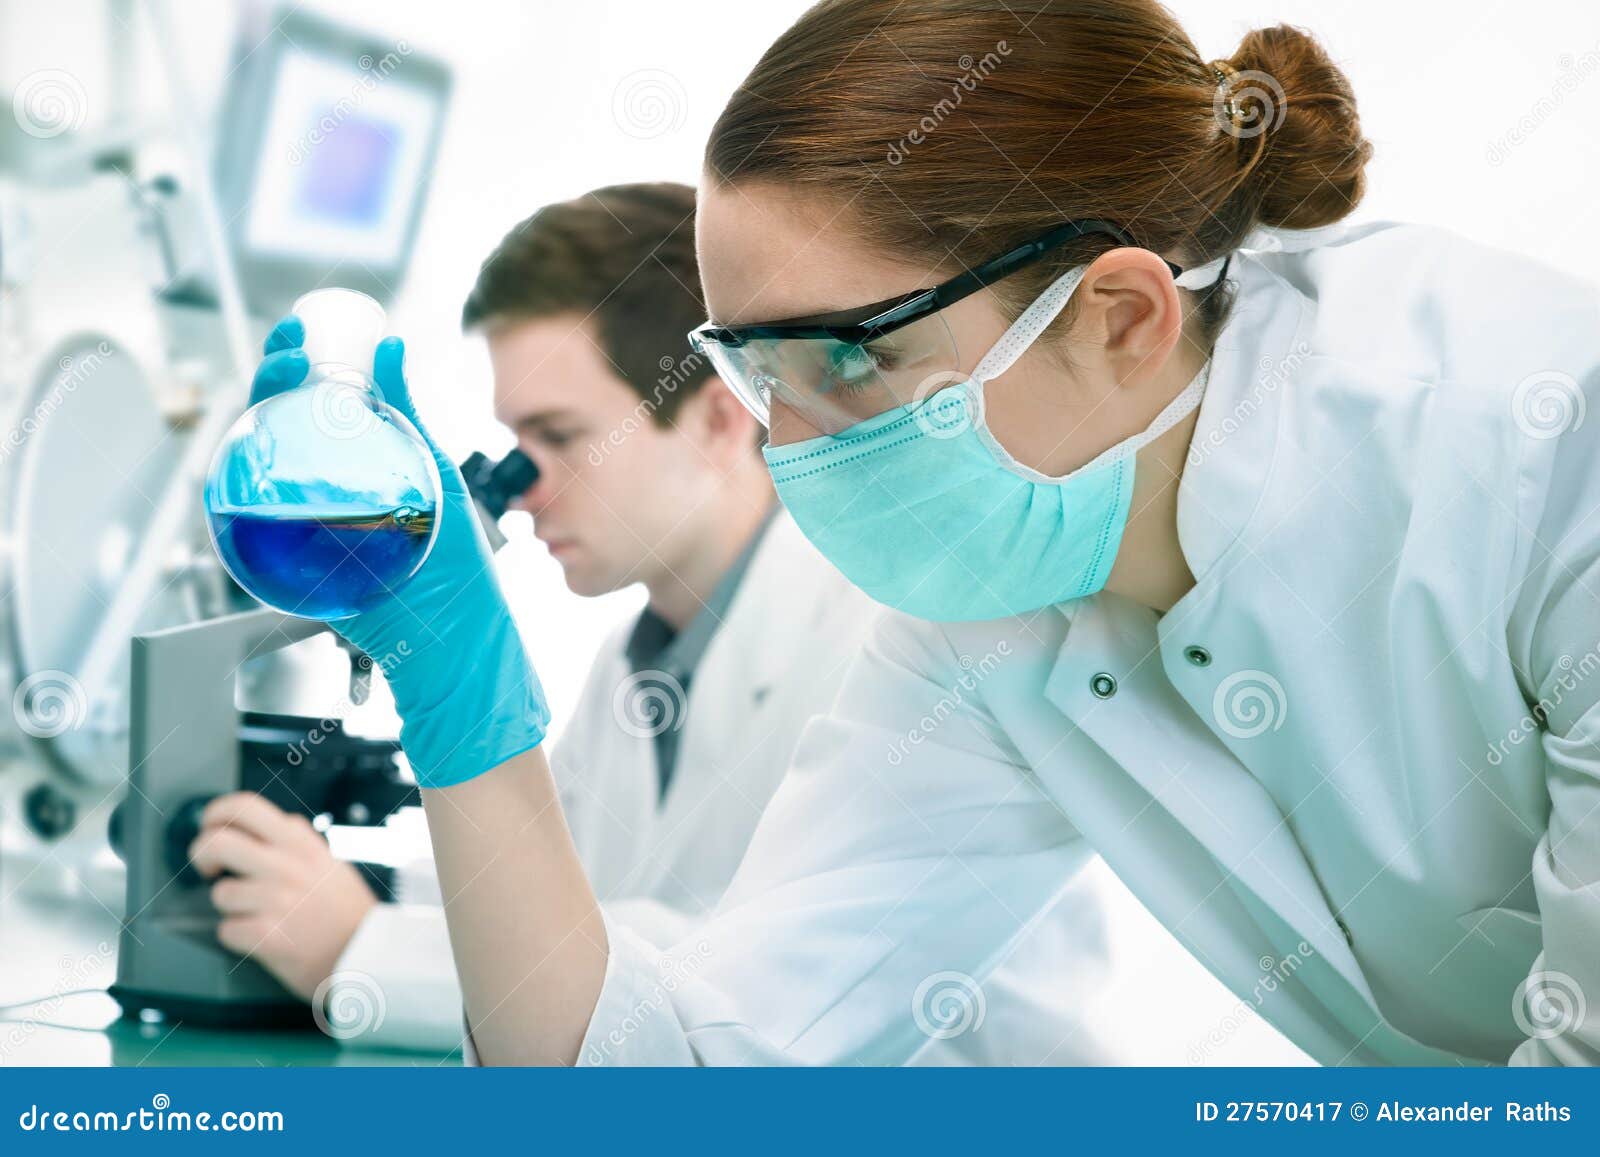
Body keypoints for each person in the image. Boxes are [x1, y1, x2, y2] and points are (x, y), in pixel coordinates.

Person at [209, 0, 1599, 1067]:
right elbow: (686, 1062)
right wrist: (466, 696)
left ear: (1120, 317)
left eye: (851, 360)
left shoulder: (1541, 444)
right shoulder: (990, 607)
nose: (790, 443)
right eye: (759, 371)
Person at [191, 182, 1120, 1064]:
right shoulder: (637, 669)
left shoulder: (888, 635)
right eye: (516, 444)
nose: (523, 490)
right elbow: (570, 919)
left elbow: (708, 975)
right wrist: (361, 896)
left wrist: (363, 944)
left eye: (558, 436)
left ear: (721, 417)